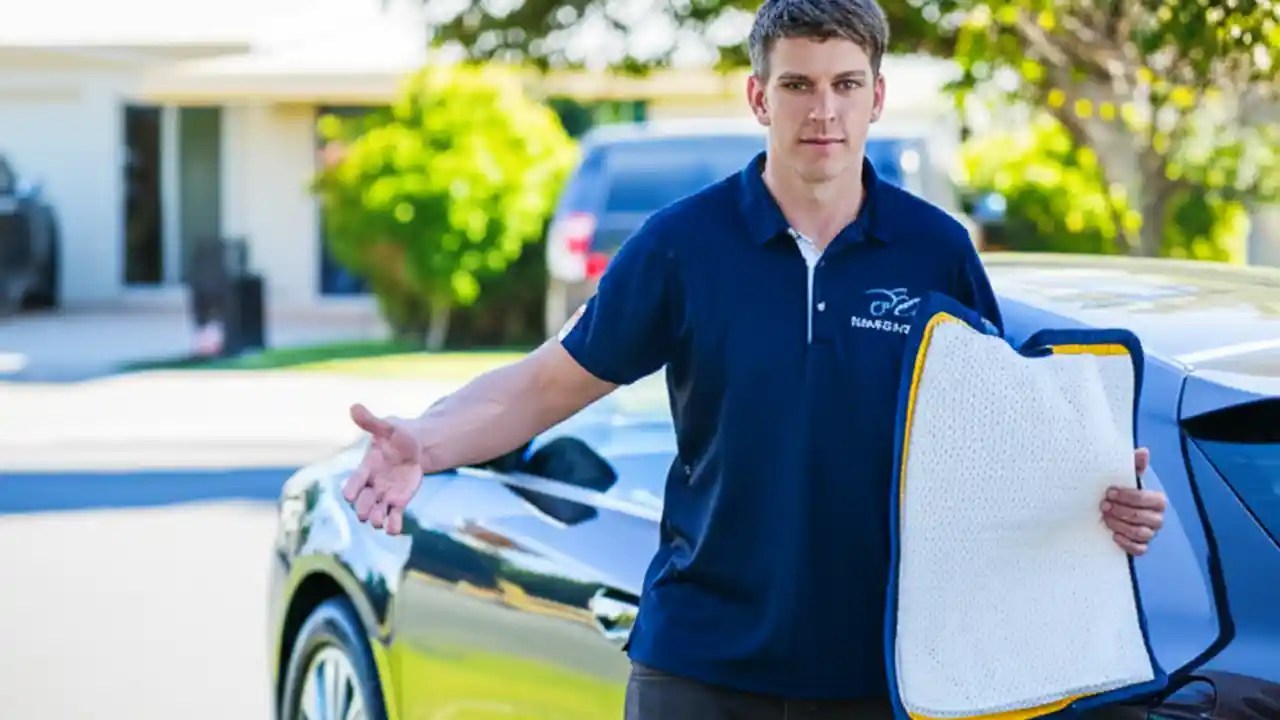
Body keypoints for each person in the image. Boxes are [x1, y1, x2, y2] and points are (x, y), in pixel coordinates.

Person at [341, 0, 1170, 716]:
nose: (824, 112)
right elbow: (549, 382)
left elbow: (1007, 436)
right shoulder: (682, 246)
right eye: (798, 85)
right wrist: (431, 439)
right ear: (757, 95)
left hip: (881, 672)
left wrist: (1117, 495)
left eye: (846, 85)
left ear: (877, 97)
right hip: (698, 667)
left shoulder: (934, 251)